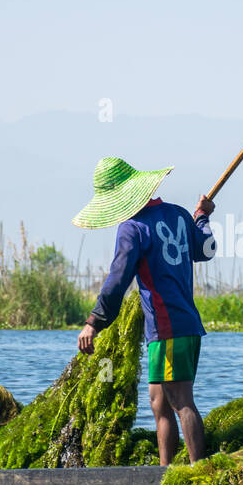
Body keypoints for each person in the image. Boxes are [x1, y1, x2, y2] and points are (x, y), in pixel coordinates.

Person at [73, 156, 216, 465]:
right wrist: (201, 218)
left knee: (181, 403)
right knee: (158, 402)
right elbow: (206, 250)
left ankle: (199, 473)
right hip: (180, 328)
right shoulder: (179, 215)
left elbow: (117, 279)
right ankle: (164, 475)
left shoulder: (133, 228)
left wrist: (93, 324)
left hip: (169, 329)